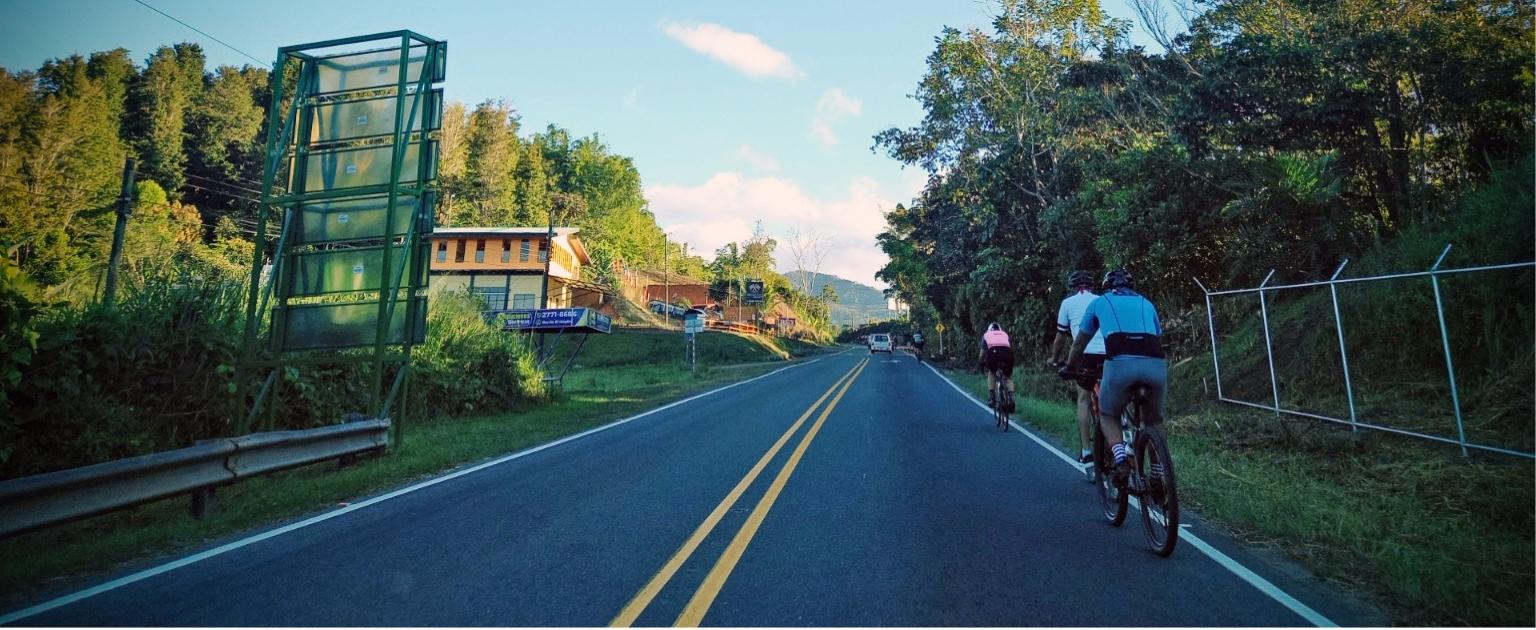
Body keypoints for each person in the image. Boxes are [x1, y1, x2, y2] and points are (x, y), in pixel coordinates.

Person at [1065, 268, 1166, 482]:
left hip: (1120, 364)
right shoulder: (1147, 303)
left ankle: (1120, 460)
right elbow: (1158, 335)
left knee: (1107, 413)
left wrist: (1070, 366)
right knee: (1154, 420)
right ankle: (1158, 472)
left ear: (1106, 287)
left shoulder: (1100, 303)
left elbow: (1079, 343)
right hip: (1155, 364)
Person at [1049, 270, 1108, 465]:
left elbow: (1060, 338)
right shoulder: (1102, 300)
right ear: (1092, 286)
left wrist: (1054, 359)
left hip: (1085, 354)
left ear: (1072, 287)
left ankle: (1086, 451)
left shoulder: (1067, 303)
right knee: (1118, 395)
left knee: (1083, 399)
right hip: (1110, 353)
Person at [979, 322, 1015, 411]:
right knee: (1007, 377)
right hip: (1007, 354)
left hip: (993, 353)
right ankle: (1011, 397)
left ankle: (991, 396)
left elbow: (982, 354)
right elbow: (1009, 347)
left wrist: (981, 363)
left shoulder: (986, 335)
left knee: (992, 372)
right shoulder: (1004, 334)